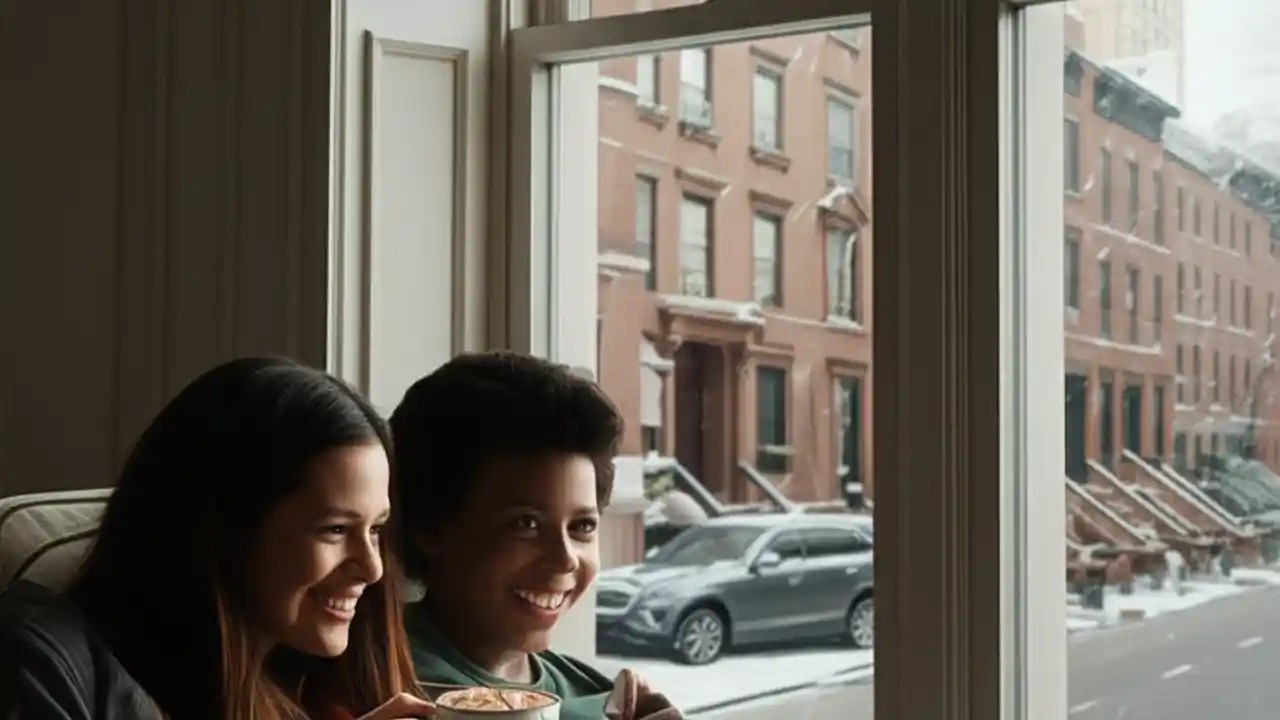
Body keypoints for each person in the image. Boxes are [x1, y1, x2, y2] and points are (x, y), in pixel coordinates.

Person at [0, 358, 434, 720]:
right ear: (225, 528)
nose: (373, 568)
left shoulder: (321, 693)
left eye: (375, 528)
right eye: (335, 530)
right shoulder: (39, 661)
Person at [391, 352, 681, 720]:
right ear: (429, 524)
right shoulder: (370, 686)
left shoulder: (604, 700)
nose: (565, 559)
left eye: (582, 526)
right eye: (525, 524)